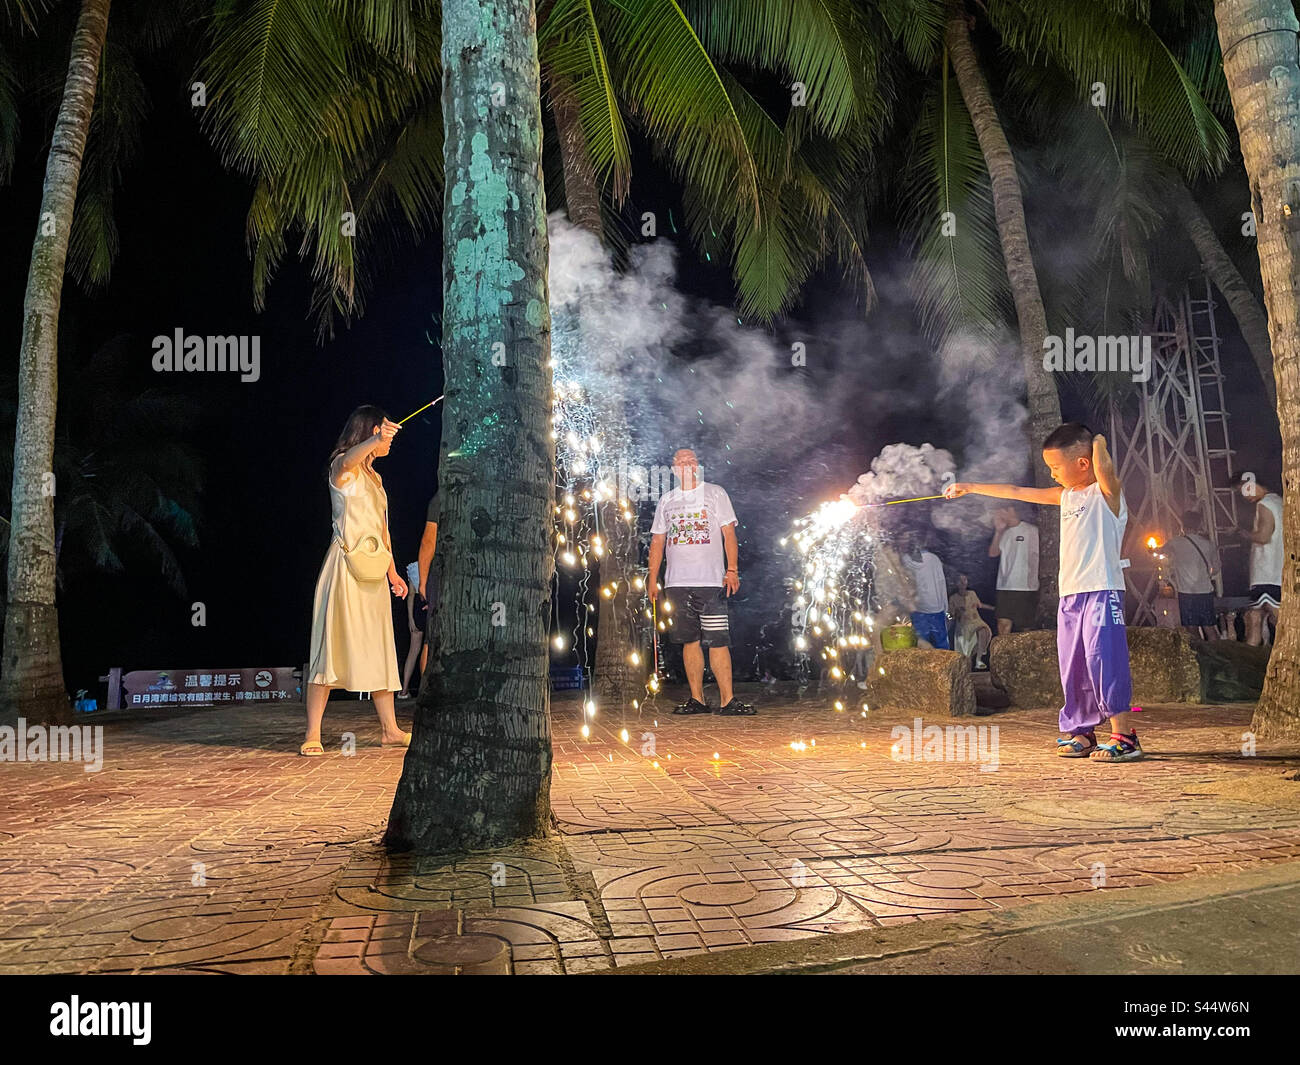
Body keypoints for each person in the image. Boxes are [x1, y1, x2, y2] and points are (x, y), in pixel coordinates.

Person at [945, 423, 1142, 762]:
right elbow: (1016, 490)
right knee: (1074, 665)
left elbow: (1104, 467)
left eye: (1056, 467)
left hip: (1102, 589)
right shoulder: (1065, 496)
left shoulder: (1107, 494)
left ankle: (1124, 735)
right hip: (1071, 595)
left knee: (1104, 661)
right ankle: (1082, 732)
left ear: (1083, 464)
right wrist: (971, 487)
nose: (1052, 475)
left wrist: (1095, 440)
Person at [302, 407, 410, 756]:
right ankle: (312, 733)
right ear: (371, 431)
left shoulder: (376, 480)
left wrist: (393, 574)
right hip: (345, 566)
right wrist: (375, 440)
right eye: (382, 435)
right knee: (329, 648)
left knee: (380, 646)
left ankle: (390, 729)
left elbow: (383, 531)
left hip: (375, 570)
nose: (389, 442)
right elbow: (349, 460)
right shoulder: (342, 468)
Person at [647, 448, 753, 716]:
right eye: (680, 461)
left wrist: (732, 569)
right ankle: (698, 700)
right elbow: (658, 541)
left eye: (691, 460)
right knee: (689, 640)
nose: (686, 464)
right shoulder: (667, 501)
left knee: (717, 640)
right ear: (673, 469)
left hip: (710, 580)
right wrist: (652, 578)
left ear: (698, 466)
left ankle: (728, 701)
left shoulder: (715, 493)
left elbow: (728, 533)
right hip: (677, 582)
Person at [1231, 473, 1282, 646]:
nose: (1246, 495)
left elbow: (1263, 536)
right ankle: (1250, 657)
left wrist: (1245, 534)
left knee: (1274, 618)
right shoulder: (1280, 502)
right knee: (1255, 617)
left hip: (1267, 572)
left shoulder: (1265, 504)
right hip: (1277, 570)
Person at [1164, 511, 1221, 640]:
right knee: (1209, 627)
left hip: (1186, 593)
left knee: (1191, 628)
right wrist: (1206, 574)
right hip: (1205, 591)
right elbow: (1216, 568)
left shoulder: (1175, 543)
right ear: (1199, 525)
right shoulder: (1208, 544)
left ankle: (1198, 656)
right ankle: (1219, 654)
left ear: (1183, 525)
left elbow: (1160, 551)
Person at [988, 504, 1039, 634]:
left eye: (998, 511)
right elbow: (993, 553)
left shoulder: (1031, 530)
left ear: (1010, 510)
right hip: (1004, 586)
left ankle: (1023, 654)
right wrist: (998, 531)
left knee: (1025, 629)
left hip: (1027, 586)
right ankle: (1003, 654)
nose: (996, 515)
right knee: (1003, 625)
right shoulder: (1004, 533)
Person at [901, 538, 950, 650]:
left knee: (921, 647)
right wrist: (946, 610)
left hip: (918, 610)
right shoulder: (934, 559)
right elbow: (942, 583)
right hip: (936, 609)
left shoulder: (905, 561)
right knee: (942, 646)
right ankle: (945, 667)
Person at [948, 573, 993, 670]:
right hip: (963, 626)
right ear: (956, 583)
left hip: (976, 622)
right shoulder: (953, 598)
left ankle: (979, 659)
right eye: (960, 580)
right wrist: (956, 613)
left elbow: (980, 605)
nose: (963, 582)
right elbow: (949, 615)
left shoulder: (972, 594)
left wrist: (993, 608)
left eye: (965, 580)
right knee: (965, 657)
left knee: (983, 630)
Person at [416, 491, 439, 674]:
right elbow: (428, 541)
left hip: (443, 575)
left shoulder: (441, 498)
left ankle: (425, 688)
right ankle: (425, 686)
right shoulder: (440, 499)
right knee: (430, 639)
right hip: (442, 575)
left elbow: (428, 542)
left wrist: (423, 582)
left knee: (430, 639)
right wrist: (423, 582)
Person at [399, 561, 429, 696]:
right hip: (428, 604)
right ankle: (425, 690)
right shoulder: (432, 564)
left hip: (417, 606)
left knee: (413, 651)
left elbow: (411, 595)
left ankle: (404, 690)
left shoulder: (414, 567)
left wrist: (411, 618)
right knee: (427, 648)